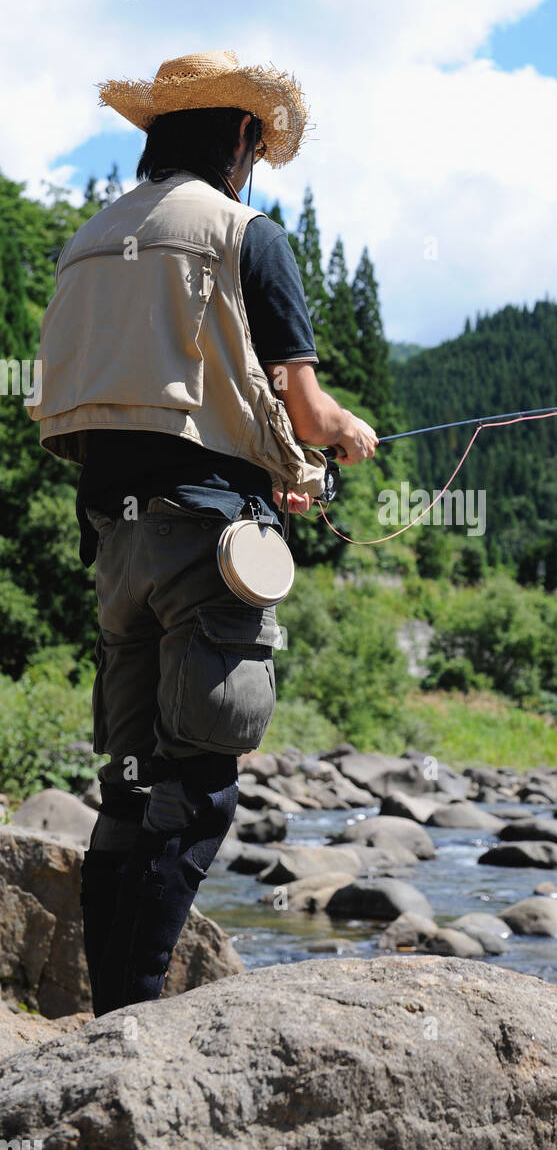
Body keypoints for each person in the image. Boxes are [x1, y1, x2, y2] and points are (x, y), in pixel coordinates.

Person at [25, 49, 378, 1016]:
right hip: (209, 551)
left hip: (117, 547)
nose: (255, 160)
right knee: (201, 784)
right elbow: (307, 412)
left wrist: (264, 465)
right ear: (236, 139)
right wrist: (345, 436)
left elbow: (126, 404)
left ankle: (110, 1011)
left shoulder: (91, 239)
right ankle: (141, 1014)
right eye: (255, 144)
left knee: (128, 788)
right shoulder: (245, 235)